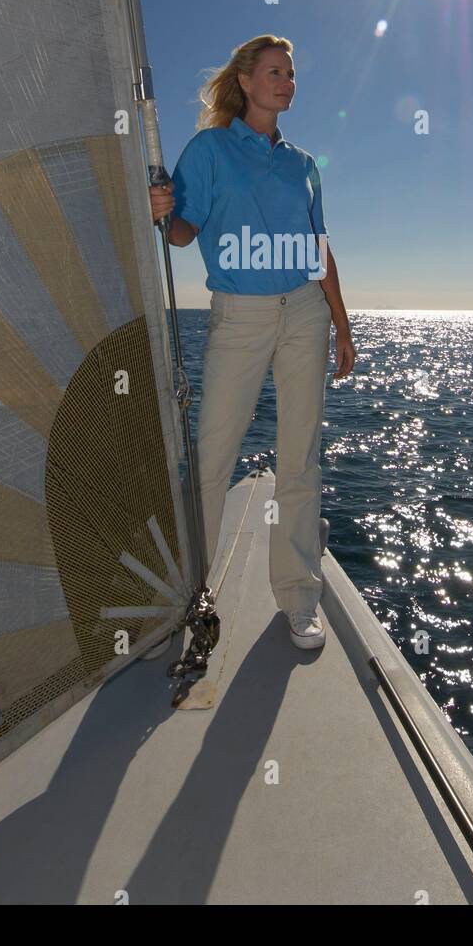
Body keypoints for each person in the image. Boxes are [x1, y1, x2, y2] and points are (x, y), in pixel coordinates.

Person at [149, 34, 356, 650]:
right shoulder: (209, 150)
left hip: (304, 314)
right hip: (238, 316)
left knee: (300, 460)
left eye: (292, 74)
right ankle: (192, 594)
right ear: (245, 80)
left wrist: (342, 323)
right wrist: (164, 211)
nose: (287, 82)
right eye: (275, 72)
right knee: (213, 457)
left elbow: (320, 250)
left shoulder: (304, 164)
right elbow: (183, 234)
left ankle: (298, 598)